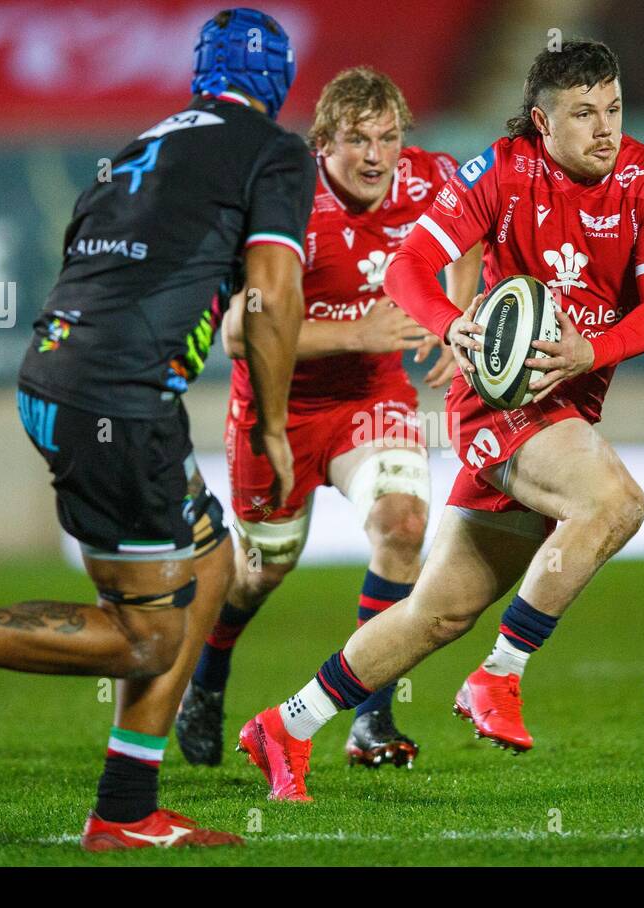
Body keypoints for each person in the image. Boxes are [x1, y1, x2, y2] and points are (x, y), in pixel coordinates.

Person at [0, 8, 315, 848]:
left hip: (57, 378)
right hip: (121, 401)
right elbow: (271, 295)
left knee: (212, 562)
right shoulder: (275, 151)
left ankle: (125, 809)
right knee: (147, 636)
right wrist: (275, 426)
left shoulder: (139, 151)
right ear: (279, 82)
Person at [235, 40, 644, 801]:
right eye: (583, 114)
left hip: (568, 398)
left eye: (613, 109)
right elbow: (410, 266)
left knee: (436, 613)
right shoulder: (504, 168)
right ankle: (499, 676)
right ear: (544, 126)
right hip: (500, 402)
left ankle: (286, 724)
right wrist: (450, 325)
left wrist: (592, 350)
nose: (605, 129)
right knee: (615, 503)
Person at [174, 67, 481, 771]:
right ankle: (208, 679)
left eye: (388, 138)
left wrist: (455, 319)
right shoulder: (286, 199)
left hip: (372, 399)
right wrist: (357, 333)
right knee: (259, 573)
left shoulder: (427, 179)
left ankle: (370, 718)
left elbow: (472, 234)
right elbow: (236, 335)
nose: (375, 156)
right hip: (277, 411)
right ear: (322, 144)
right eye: (355, 140)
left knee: (403, 526)